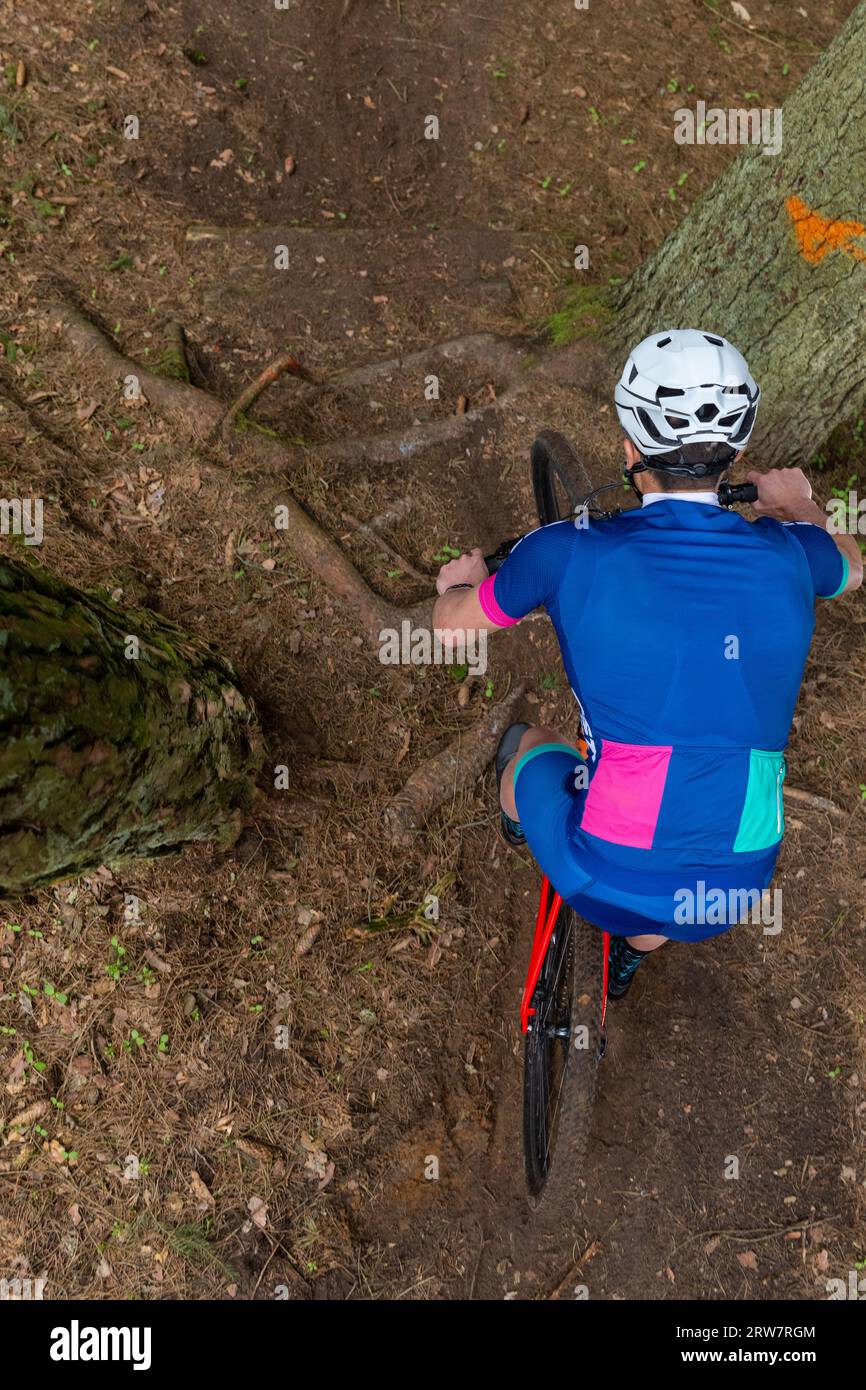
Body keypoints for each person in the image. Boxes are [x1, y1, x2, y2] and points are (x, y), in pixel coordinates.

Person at [432, 329, 862, 998]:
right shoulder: (797, 553)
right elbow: (853, 568)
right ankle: (631, 956)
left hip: (605, 872)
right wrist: (797, 503)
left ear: (630, 448)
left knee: (529, 746)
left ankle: (523, 823)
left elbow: (452, 630)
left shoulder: (563, 552)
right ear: (739, 452)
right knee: (672, 877)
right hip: (735, 888)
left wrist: (456, 586)